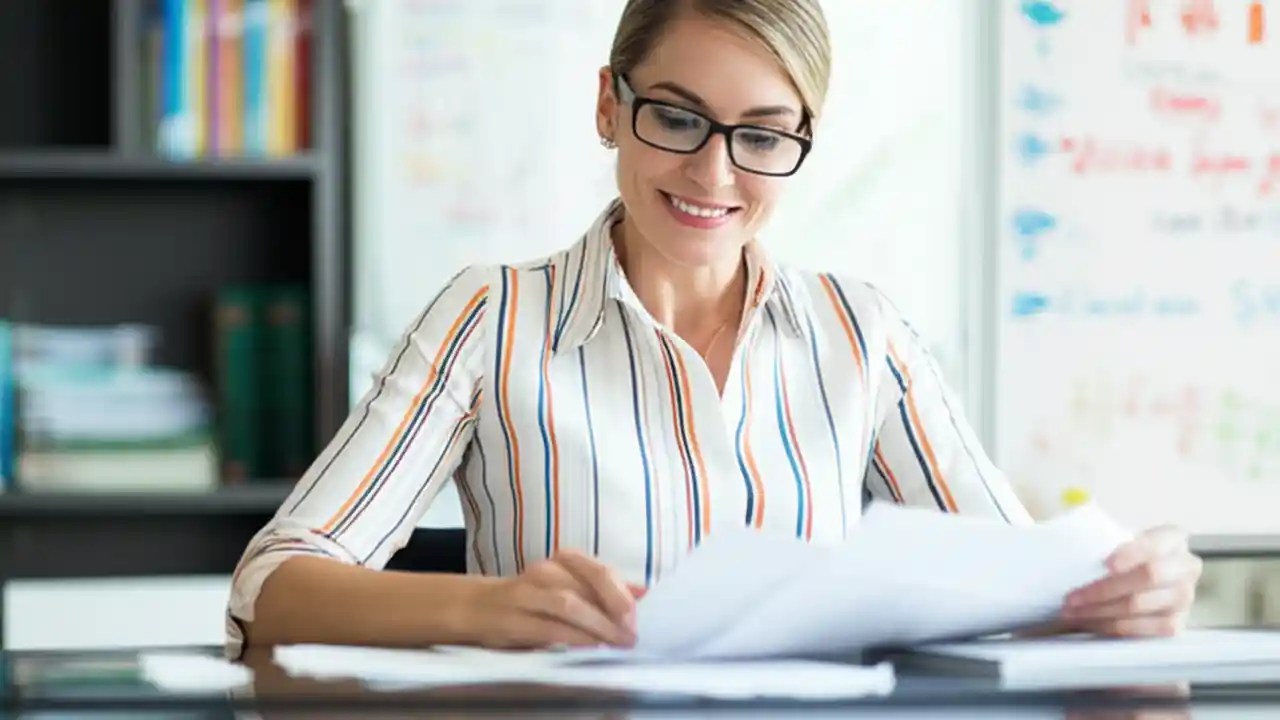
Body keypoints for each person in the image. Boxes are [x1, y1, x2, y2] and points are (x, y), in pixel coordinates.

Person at [226, 0, 1202, 656]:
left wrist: (1119, 595)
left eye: (763, 135)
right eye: (678, 118)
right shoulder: (490, 317)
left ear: (800, 144)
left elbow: (1013, 584)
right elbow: (271, 587)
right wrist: (486, 607)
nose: (713, 174)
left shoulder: (862, 333)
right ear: (609, 105)